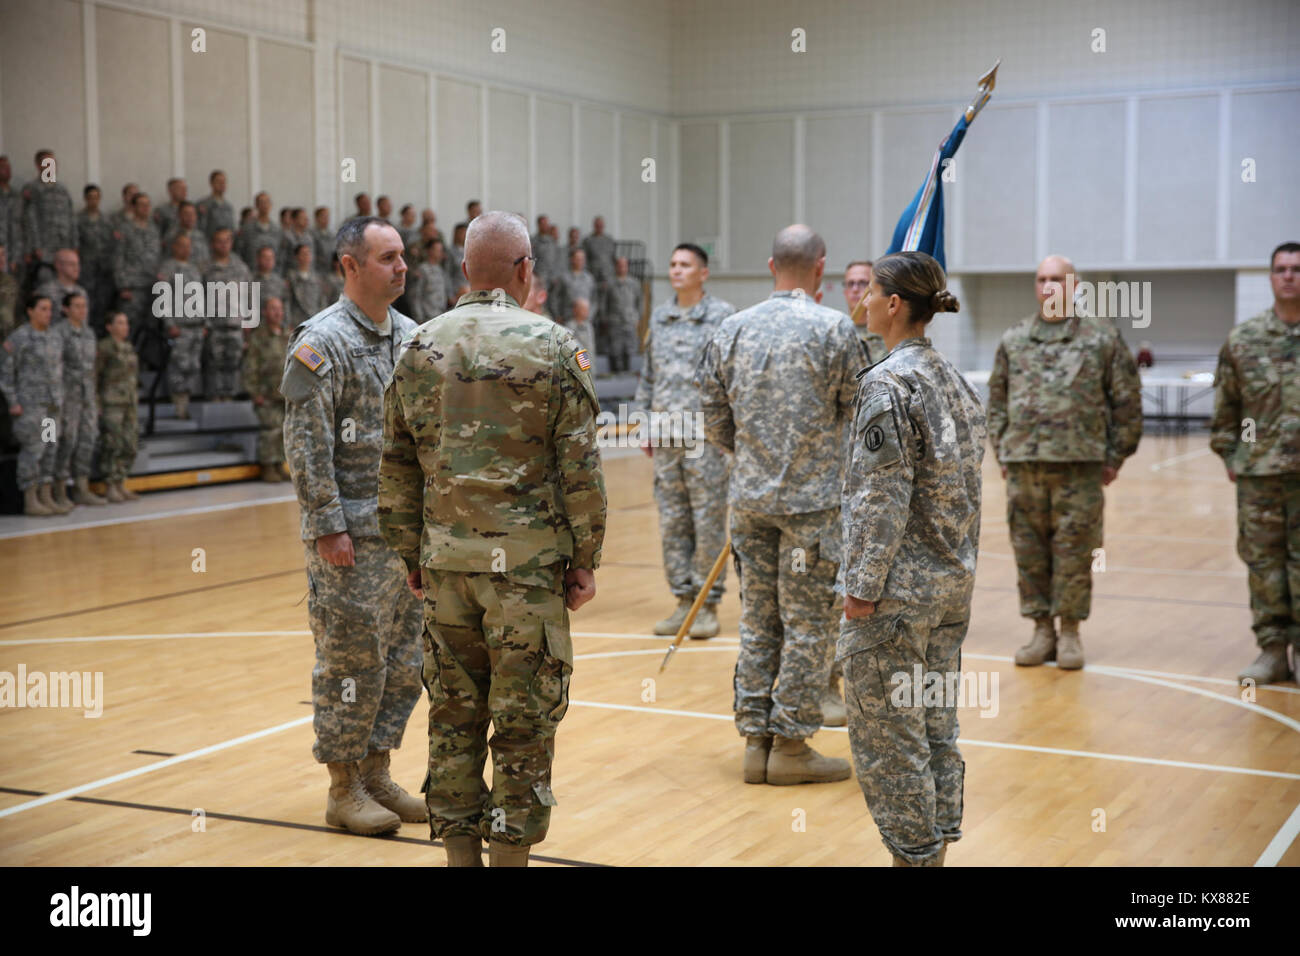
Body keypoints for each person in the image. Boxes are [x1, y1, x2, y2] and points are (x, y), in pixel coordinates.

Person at [378, 210, 607, 867]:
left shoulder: (418, 346)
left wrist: (410, 554)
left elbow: (394, 468)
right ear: (526, 270)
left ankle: (459, 861)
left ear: (462, 272)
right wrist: (585, 559)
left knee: (453, 722)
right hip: (527, 576)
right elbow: (580, 472)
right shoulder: (554, 345)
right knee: (523, 727)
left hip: (447, 572)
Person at [696, 225, 860, 786]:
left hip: (750, 503)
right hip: (811, 509)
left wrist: (756, 460)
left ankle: (755, 742)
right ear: (821, 269)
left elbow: (715, 420)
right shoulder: (835, 329)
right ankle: (790, 745)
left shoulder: (732, 329)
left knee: (758, 622)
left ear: (772, 266)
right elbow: (856, 413)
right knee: (808, 625)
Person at [839, 251, 985, 867]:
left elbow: (882, 495)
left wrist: (862, 587)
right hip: (949, 587)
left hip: (895, 597)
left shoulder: (887, 383)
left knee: (891, 742)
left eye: (871, 291)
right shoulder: (952, 379)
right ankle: (933, 854)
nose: (863, 301)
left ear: (895, 305)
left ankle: (914, 859)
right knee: (934, 729)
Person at [281, 215, 425, 836]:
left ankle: (378, 773)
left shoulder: (415, 337)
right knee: (349, 664)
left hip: (404, 539)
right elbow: (306, 446)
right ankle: (344, 788)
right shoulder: (321, 343)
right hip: (351, 541)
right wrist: (327, 527)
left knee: (402, 662)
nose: (402, 267)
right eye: (388, 257)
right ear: (350, 265)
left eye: (403, 257)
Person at [986, 254, 1143, 670]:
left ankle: (1070, 631)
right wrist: (1004, 450)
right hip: (1025, 466)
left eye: (1057, 279)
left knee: (1076, 551)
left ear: (1074, 286)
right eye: (1041, 279)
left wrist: (1115, 456)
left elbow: (1127, 402)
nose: (1048, 286)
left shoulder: (1101, 339)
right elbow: (997, 400)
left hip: (1080, 467)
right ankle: (1041, 630)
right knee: (1029, 551)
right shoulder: (1015, 339)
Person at [1211, 241, 1300, 685]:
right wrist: (1231, 454)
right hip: (1260, 476)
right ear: (1270, 278)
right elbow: (1226, 408)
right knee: (1264, 565)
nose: (1289, 276)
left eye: (1296, 269)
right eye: (1281, 269)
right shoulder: (1244, 341)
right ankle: (1271, 652)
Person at [635, 243, 734, 638]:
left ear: (703, 273)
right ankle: (682, 600)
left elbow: (732, 378)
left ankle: (707, 604)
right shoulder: (660, 317)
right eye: (673, 264)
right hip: (666, 437)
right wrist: (643, 422)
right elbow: (649, 374)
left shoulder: (723, 317)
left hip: (705, 438)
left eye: (685, 265)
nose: (676, 270)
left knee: (708, 522)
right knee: (673, 521)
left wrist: (729, 433)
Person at [1, 294, 66, 516]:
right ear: (30, 311)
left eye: (49, 309)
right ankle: (30, 498)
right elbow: (6, 373)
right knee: (32, 450)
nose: (47, 314)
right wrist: (13, 401)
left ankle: (45, 495)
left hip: (50, 408)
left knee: (49, 449)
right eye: (43, 309)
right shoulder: (19, 338)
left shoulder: (55, 337)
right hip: (30, 407)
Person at [54, 292, 105, 507]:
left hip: (87, 396)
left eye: (84, 306)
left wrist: (95, 398)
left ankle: (81, 488)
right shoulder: (58, 333)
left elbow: (92, 369)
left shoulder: (89, 333)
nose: (82, 311)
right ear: (66, 309)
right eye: (76, 306)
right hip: (67, 397)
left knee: (88, 440)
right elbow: (54, 368)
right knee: (67, 441)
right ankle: (58, 490)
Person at [243, 296, 290, 482]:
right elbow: (250, 367)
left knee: (284, 431)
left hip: (286, 392)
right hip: (266, 392)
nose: (277, 313)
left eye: (279, 309)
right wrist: (254, 392)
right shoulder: (258, 337)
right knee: (270, 430)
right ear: (265, 312)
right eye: (273, 309)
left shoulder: (289, 335)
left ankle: (280, 464)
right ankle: (268, 466)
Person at [158, 233, 205, 418]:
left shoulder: (194, 269)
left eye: (188, 245)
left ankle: (188, 404)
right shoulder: (168, 268)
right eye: (182, 245)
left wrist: (204, 322)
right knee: (178, 365)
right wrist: (169, 323)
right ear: (174, 247)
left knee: (193, 366)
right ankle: (178, 405)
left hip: (195, 325)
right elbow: (162, 297)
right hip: (179, 325)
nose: (186, 249)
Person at [202, 228, 251, 401]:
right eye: (219, 241)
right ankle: (214, 397)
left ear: (231, 243)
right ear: (213, 244)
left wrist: (248, 323)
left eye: (226, 241)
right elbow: (197, 297)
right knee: (214, 361)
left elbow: (248, 295)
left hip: (235, 324)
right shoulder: (205, 267)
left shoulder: (241, 267)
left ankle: (229, 397)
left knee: (233, 361)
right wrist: (203, 322)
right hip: (214, 324)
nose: (223, 245)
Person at [96, 310, 139, 503]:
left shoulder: (128, 347)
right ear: (109, 327)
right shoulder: (104, 348)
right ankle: (110, 485)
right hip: (112, 402)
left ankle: (121, 481)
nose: (125, 327)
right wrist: (97, 402)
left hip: (129, 401)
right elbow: (95, 376)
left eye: (126, 323)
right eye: (120, 323)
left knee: (130, 444)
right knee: (112, 443)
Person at [21, 150, 78, 285]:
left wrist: (75, 245)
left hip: (64, 247)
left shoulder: (62, 189)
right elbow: (29, 221)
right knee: (44, 284)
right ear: (38, 166)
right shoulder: (32, 189)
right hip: (44, 251)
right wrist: (35, 247)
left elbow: (72, 218)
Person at [112, 192, 161, 339]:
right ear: (133, 207)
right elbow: (118, 258)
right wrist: (122, 285)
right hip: (133, 287)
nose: (146, 208)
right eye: (141, 205)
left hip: (152, 286)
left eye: (148, 205)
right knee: (130, 329)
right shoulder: (125, 229)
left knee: (150, 330)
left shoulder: (154, 229)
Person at [77, 185, 115, 330]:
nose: (94, 201)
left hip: (104, 271)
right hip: (86, 270)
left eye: (96, 197)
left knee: (104, 306)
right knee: (87, 305)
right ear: (86, 199)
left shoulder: (107, 220)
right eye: (91, 197)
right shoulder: (79, 220)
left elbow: (112, 244)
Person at [842, 260, 888, 364]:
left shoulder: (889, 334)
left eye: (863, 283)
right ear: (845, 292)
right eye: (850, 283)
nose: (855, 289)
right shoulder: (838, 332)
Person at [606, 256, 641, 373]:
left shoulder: (634, 284)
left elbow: (640, 302)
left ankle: (627, 378)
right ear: (616, 267)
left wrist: (637, 318)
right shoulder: (610, 284)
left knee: (629, 351)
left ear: (627, 267)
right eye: (619, 265)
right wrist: (605, 320)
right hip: (615, 322)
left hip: (629, 322)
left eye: (624, 265)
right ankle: (615, 379)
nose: (622, 268)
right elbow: (604, 304)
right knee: (615, 352)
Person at [35, 249, 87, 321]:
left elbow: (83, 323)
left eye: (78, 264)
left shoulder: (81, 292)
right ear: (58, 265)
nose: (77, 268)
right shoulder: (45, 291)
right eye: (72, 264)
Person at [236, 192, 282, 270]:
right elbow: (239, 252)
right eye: (262, 202)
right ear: (256, 205)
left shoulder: (277, 229)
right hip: (252, 273)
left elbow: (280, 255)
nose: (265, 205)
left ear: (271, 205)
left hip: (271, 275)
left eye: (267, 202)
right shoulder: (247, 228)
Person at [286, 243, 326, 330]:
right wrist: (288, 321)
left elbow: (322, 300)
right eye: (303, 254)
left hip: (315, 320)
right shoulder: (291, 277)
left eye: (308, 253)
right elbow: (287, 301)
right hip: (297, 321)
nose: (306, 256)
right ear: (297, 257)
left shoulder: (317, 278)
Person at [414, 237, 449, 324]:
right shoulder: (422, 269)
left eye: (441, 250)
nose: (440, 253)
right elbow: (416, 295)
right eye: (437, 250)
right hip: (426, 318)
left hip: (440, 316)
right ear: (429, 251)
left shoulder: (440, 270)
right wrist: (419, 318)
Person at [196, 170, 235, 240]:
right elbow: (199, 228)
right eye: (219, 182)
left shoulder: (228, 206)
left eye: (224, 182)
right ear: (211, 183)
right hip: (209, 244)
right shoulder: (203, 204)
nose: (222, 184)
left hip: (225, 245)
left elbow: (231, 229)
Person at [252, 245, 287, 310]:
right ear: (258, 259)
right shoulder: (250, 280)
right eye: (265, 257)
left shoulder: (280, 282)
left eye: (271, 257)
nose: (268, 260)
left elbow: (285, 306)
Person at [311, 207, 335, 275]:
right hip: (318, 270)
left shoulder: (331, 234)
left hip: (330, 269)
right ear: (317, 218)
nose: (326, 219)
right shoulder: (312, 234)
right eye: (323, 216)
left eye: (327, 216)